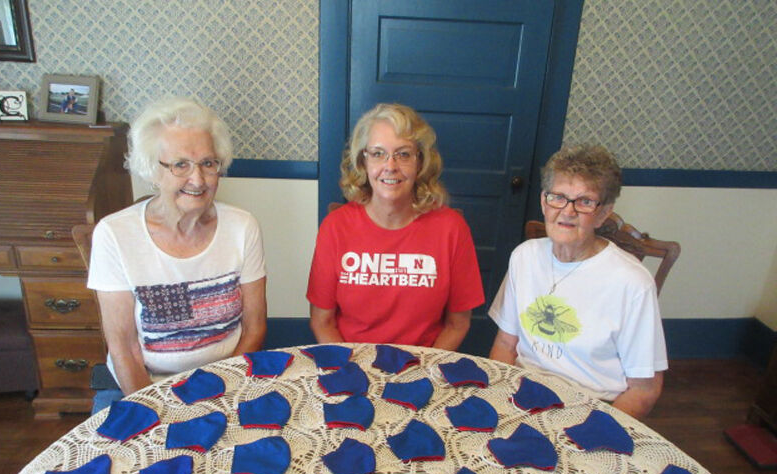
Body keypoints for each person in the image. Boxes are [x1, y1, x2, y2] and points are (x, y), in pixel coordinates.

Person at [87, 97, 267, 413]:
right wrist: (157, 414)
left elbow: (254, 329)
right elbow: (124, 348)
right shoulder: (115, 235)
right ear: (152, 170)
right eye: (180, 165)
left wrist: (217, 395)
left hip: (226, 379)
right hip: (142, 386)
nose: (197, 180)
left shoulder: (242, 227)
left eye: (208, 164)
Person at [488, 144, 666, 418]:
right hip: (521, 394)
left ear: (604, 212)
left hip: (591, 407)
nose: (567, 211)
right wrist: (497, 401)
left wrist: (594, 430)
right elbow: (505, 345)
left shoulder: (632, 283)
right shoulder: (524, 257)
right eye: (558, 197)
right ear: (543, 202)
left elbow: (645, 389)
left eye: (584, 202)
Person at [306, 103, 483, 349]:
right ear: (363, 162)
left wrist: (422, 373)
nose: (390, 166)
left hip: (423, 365)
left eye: (403, 154)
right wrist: (352, 370)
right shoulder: (335, 227)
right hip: (352, 365)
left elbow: (458, 324)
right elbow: (322, 322)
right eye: (378, 153)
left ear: (420, 162)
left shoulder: (452, 229)